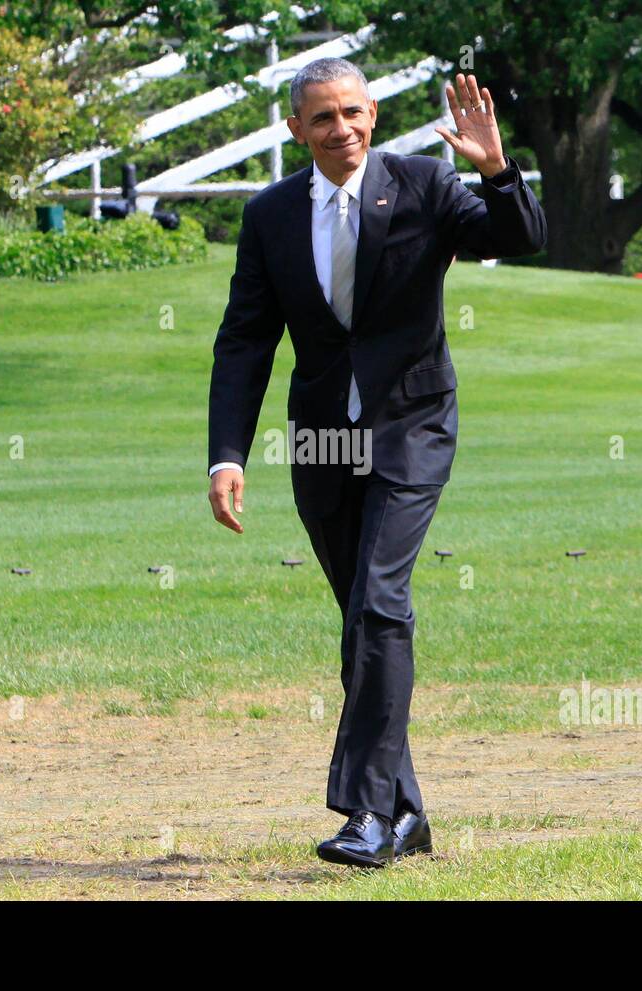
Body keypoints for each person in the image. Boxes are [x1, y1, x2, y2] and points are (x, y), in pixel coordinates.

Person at [207, 57, 547, 866]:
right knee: (362, 620)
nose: (342, 129)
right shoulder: (271, 214)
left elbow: (521, 237)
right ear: (298, 130)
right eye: (323, 118)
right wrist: (226, 453)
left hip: (412, 425)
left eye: (354, 112)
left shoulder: (426, 184)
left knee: (380, 601)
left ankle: (364, 813)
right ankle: (409, 813)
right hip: (322, 440)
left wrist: (497, 170)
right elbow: (246, 340)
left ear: (375, 113)